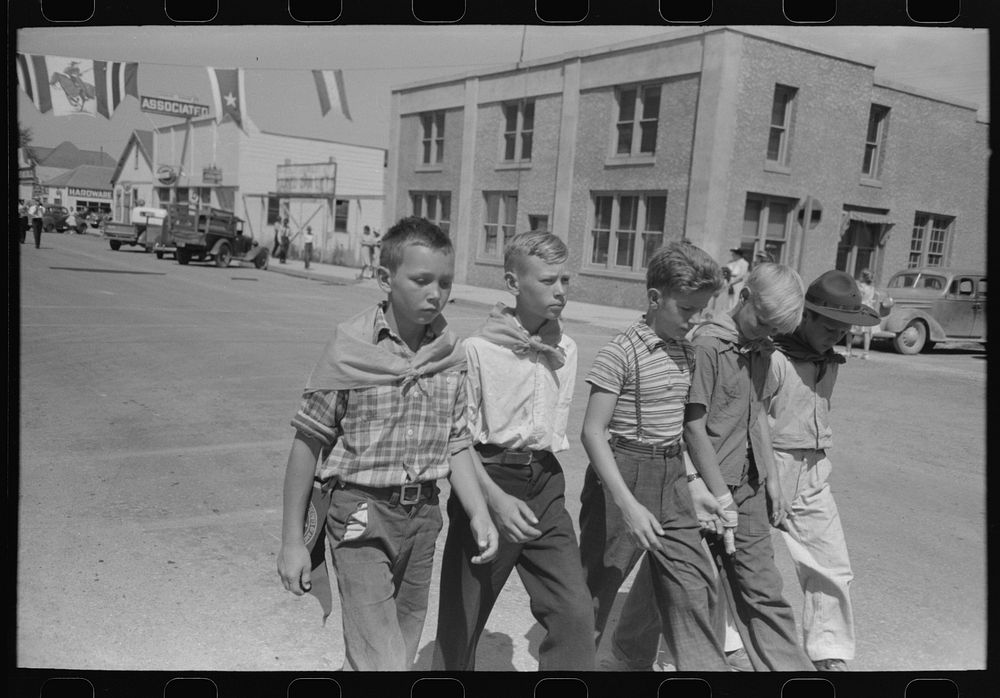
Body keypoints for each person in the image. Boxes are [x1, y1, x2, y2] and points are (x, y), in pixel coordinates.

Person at [277, 216, 499, 671]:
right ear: (385, 278)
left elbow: (456, 444)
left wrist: (478, 513)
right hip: (360, 514)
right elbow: (307, 444)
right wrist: (291, 542)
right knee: (385, 662)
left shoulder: (449, 355)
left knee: (397, 639)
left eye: (444, 282)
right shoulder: (350, 348)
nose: (435, 293)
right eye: (421, 281)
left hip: (423, 518)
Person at [433, 231, 595, 671]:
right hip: (490, 480)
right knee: (462, 618)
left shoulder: (567, 348)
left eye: (565, 280)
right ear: (512, 282)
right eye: (547, 281)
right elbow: (458, 441)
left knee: (575, 613)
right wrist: (492, 501)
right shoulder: (478, 350)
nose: (560, 291)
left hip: (545, 482)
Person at [578, 240, 731, 672]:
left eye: (702, 309)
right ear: (654, 298)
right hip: (622, 474)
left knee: (694, 586)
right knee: (594, 593)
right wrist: (627, 505)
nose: (695, 319)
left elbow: (680, 427)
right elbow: (592, 432)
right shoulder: (620, 351)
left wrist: (694, 484)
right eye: (686, 309)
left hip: (672, 479)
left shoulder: (686, 349)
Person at [681, 262, 814, 671]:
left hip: (748, 483)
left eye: (774, 330)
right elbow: (692, 426)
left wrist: (772, 479)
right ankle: (626, 658)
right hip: (701, 487)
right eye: (762, 322)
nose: (765, 334)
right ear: (744, 298)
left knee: (762, 588)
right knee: (674, 587)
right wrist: (718, 493)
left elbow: (757, 412)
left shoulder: (761, 349)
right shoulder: (707, 344)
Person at [766, 270, 884, 671]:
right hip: (769, 465)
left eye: (844, 329)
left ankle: (828, 650)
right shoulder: (774, 357)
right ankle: (726, 641)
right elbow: (756, 422)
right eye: (829, 326)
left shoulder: (830, 362)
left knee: (831, 562)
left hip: (814, 469)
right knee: (744, 559)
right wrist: (768, 478)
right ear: (805, 317)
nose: (836, 336)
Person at [843, 269, 883, 360]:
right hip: (868, 309)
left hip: (859, 308)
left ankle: (848, 350)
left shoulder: (860, 286)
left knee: (850, 330)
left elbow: (856, 296)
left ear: (862, 277)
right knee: (866, 332)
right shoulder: (872, 288)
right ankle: (866, 353)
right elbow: (875, 297)